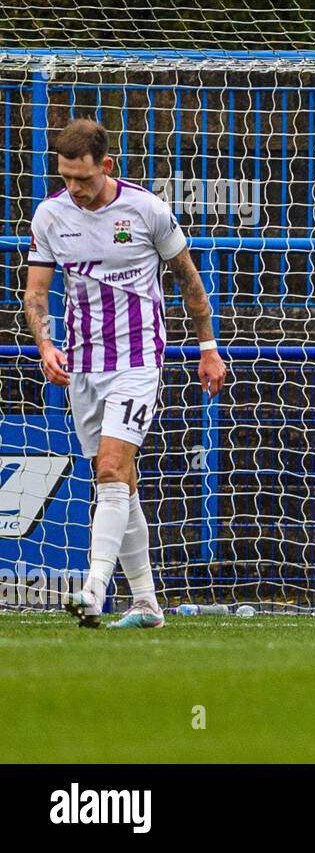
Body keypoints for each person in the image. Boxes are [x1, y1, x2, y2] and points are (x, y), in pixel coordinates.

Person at [22, 118, 227, 629]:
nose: (75, 189)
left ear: (107, 165)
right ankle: (146, 603)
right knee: (119, 481)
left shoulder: (146, 210)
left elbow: (188, 278)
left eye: (84, 179)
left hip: (138, 360)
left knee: (112, 468)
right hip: (84, 367)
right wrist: (46, 343)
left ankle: (92, 588)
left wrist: (208, 347)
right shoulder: (50, 216)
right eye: (66, 178)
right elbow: (36, 293)